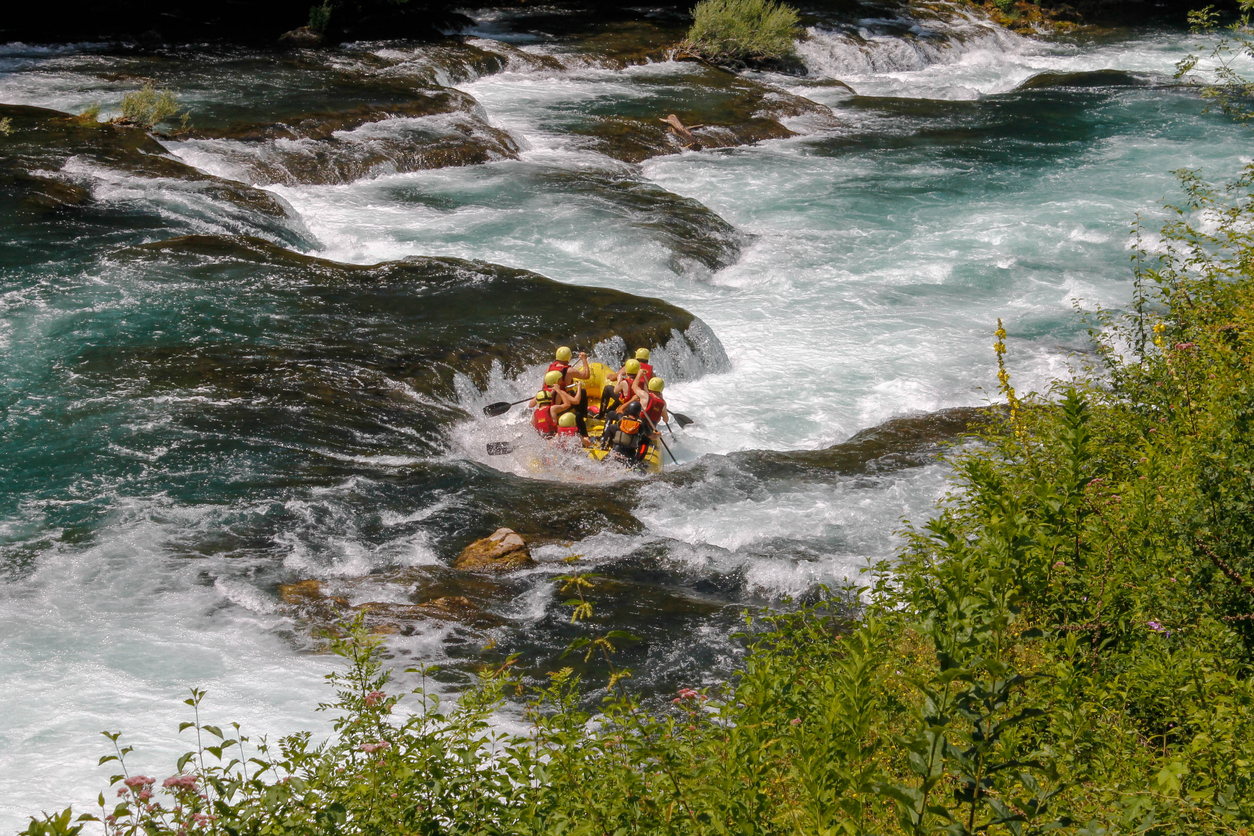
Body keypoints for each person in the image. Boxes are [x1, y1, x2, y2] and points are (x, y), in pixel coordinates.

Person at [548, 346, 591, 435]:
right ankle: (582, 416)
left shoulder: (549, 368)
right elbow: (586, 375)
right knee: (582, 392)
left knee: (575, 392)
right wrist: (584, 360)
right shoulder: (569, 371)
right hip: (562, 401)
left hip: (551, 400)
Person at [528, 370, 575, 438]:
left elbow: (531, 405)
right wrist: (559, 391)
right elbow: (568, 404)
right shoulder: (552, 408)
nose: (562, 381)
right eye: (560, 379)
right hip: (554, 435)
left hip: (542, 437)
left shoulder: (535, 413)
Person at [632, 375, 667, 461]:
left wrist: (639, 374)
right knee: (645, 440)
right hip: (650, 429)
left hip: (638, 425)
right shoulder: (663, 403)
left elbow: (634, 386)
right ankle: (639, 460)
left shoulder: (645, 395)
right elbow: (666, 420)